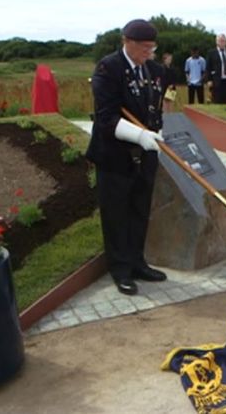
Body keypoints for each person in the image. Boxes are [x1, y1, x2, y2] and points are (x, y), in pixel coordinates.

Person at [85, 19, 167, 296]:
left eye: (152, 47)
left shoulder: (155, 70)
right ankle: (120, 270)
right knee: (116, 213)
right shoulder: (108, 69)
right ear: (127, 42)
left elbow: (155, 109)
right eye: (145, 47)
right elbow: (107, 117)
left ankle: (137, 262)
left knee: (139, 210)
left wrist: (157, 132)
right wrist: (141, 136)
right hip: (114, 156)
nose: (149, 52)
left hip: (145, 156)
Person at [206, 34, 226, 104]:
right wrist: (209, 80)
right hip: (217, 81)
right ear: (217, 42)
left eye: (224, 41)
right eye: (220, 41)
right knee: (217, 101)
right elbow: (208, 67)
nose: (222, 43)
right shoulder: (211, 53)